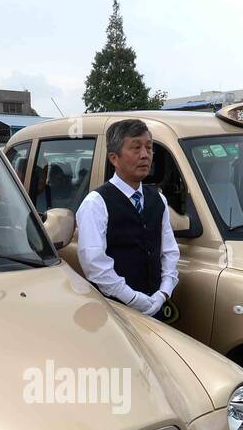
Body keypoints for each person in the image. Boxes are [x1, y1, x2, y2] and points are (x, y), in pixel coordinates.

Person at [75, 119, 180, 320]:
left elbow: (169, 251)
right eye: (136, 148)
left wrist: (163, 292)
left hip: (156, 304)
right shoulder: (96, 203)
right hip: (115, 310)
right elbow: (94, 264)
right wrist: (134, 299)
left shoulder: (158, 199)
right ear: (114, 158)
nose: (145, 155)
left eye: (149, 148)